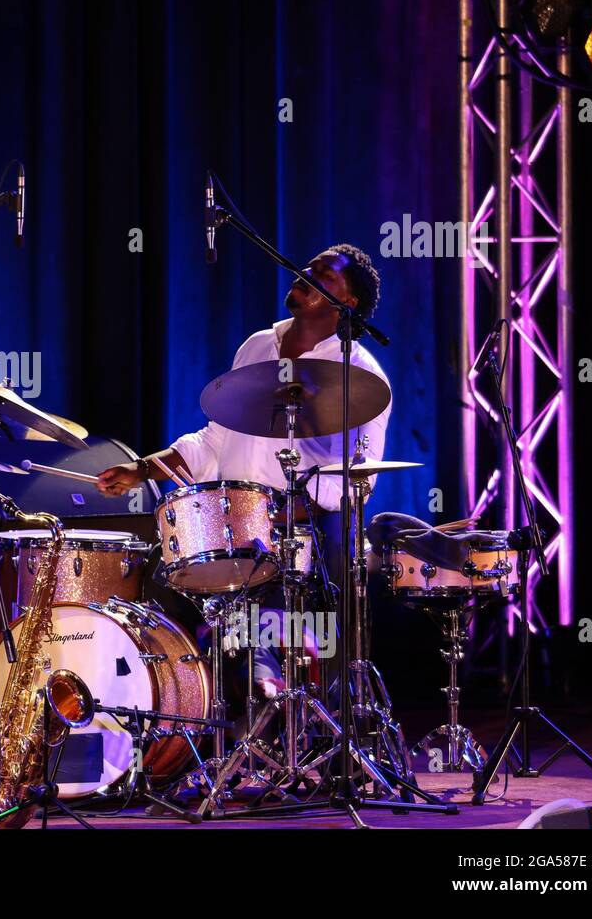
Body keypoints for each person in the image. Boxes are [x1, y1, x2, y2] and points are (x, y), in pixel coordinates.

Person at [97, 244, 389, 699]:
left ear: (347, 303)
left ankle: (307, 706)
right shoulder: (257, 346)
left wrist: (286, 510)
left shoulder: (358, 373)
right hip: (236, 521)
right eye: (308, 265)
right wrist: (142, 469)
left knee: (294, 620)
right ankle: (208, 708)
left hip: (308, 527)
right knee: (164, 579)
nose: (306, 272)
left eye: (324, 275)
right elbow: (215, 440)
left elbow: (356, 476)